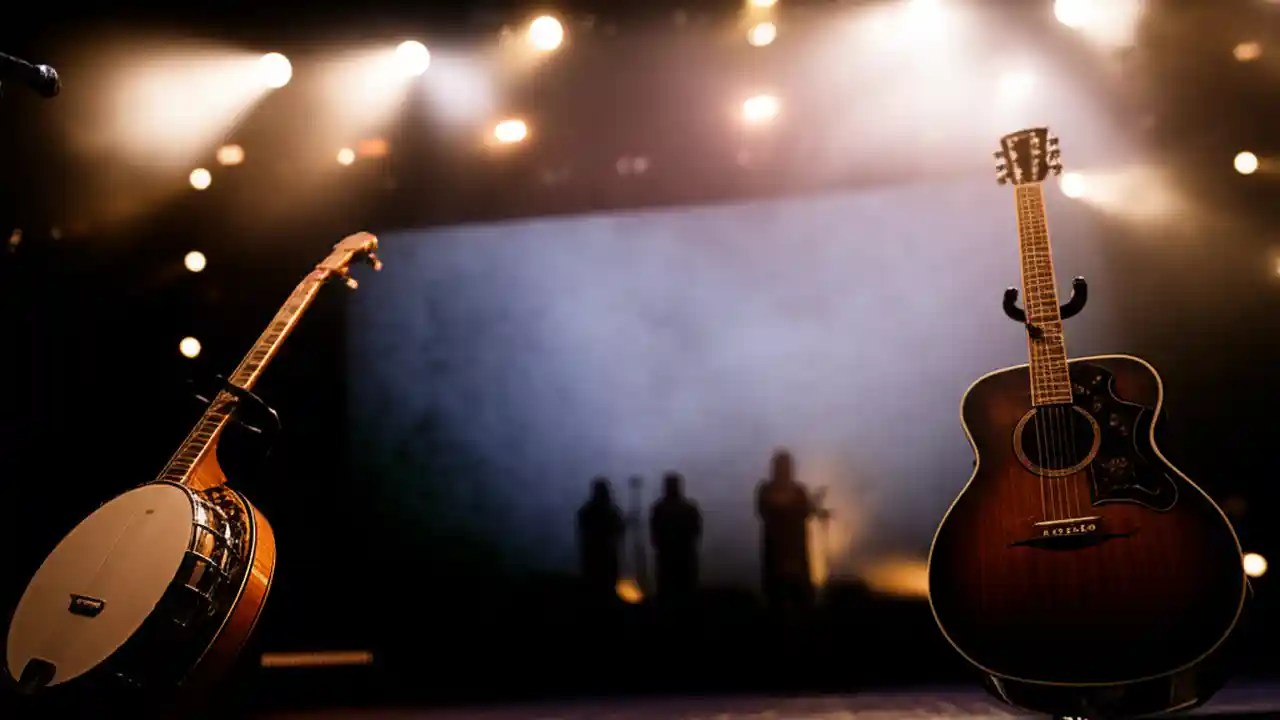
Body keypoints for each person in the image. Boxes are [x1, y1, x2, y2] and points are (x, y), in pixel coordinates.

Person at [755, 449, 823, 615]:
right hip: (776, 553)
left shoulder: (798, 490)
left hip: (797, 553)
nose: (786, 470)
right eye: (783, 466)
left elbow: (805, 513)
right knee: (776, 600)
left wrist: (814, 505)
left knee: (801, 599)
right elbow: (764, 511)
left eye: (788, 466)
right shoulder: (766, 489)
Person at [649, 471, 702, 608]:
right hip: (685, 558)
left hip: (667, 558)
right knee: (685, 597)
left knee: (667, 596)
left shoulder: (658, 508)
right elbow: (696, 532)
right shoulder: (689, 508)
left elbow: (655, 535)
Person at [577, 477, 625, 603]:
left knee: (597, 588)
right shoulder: (611, 511)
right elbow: (620, 530)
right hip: (604, 555)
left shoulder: (587, 510)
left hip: (595, 555)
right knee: (605, 587)